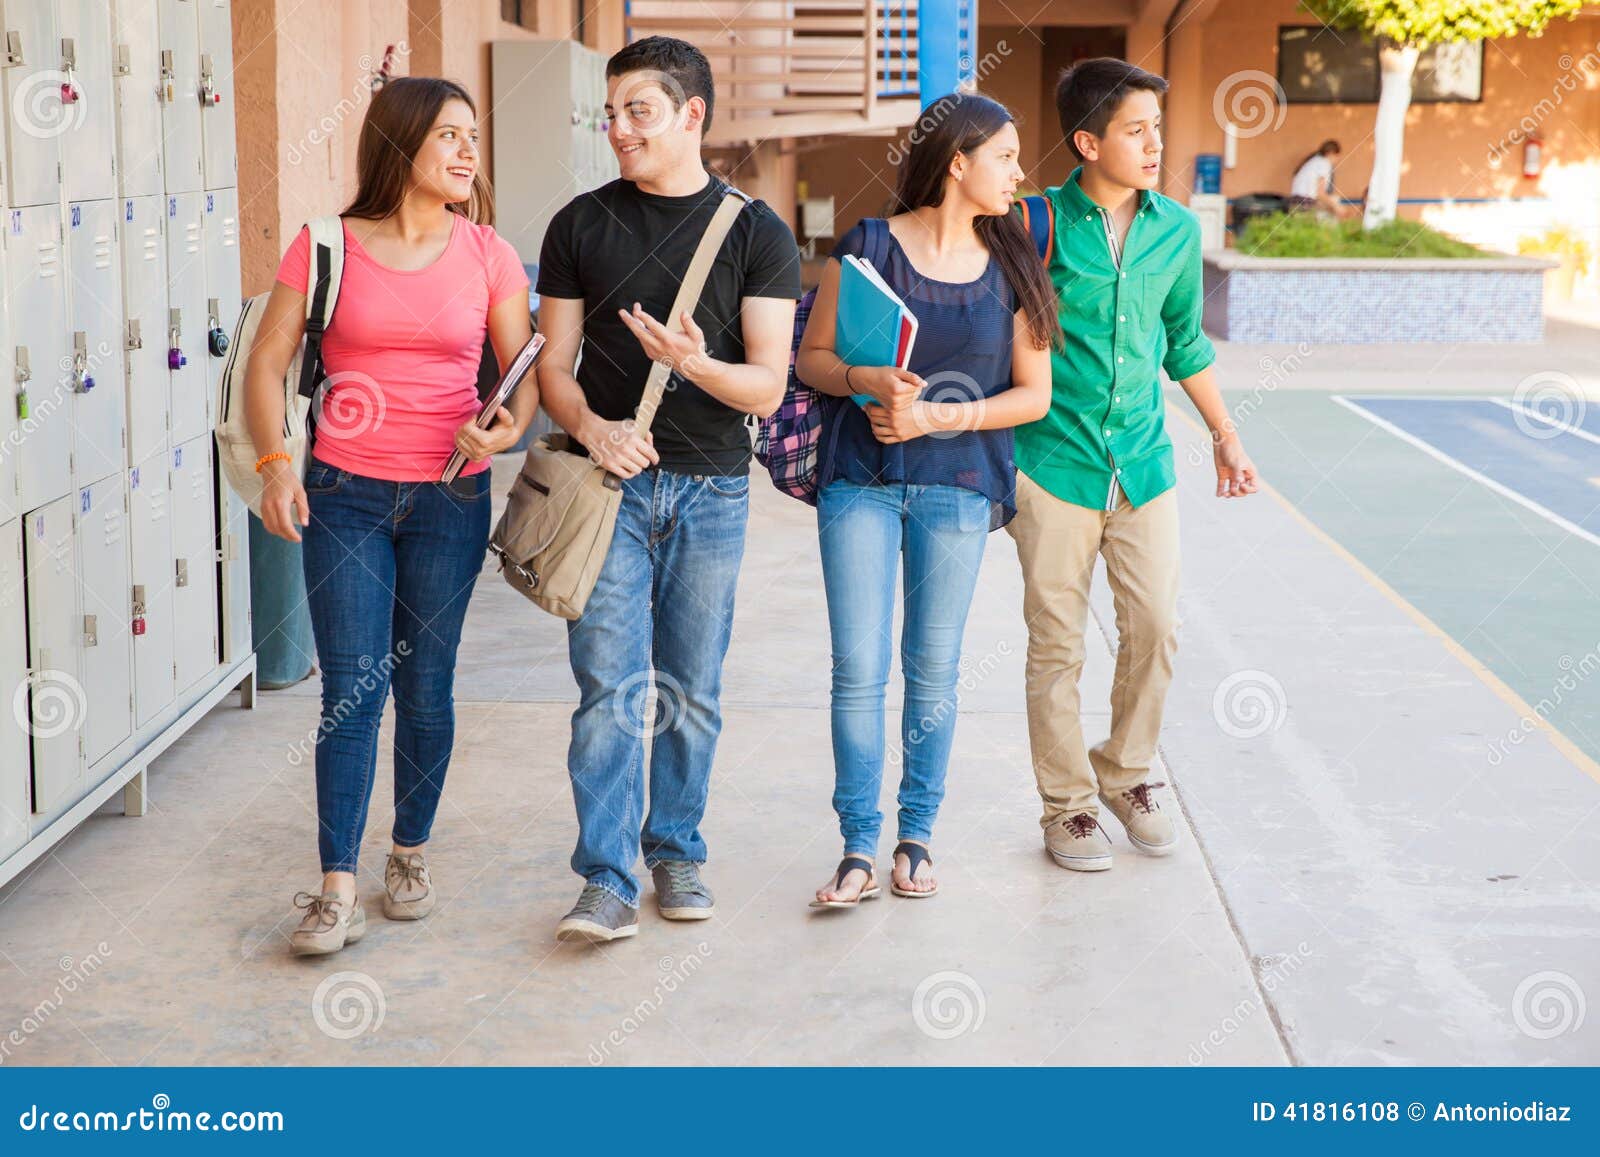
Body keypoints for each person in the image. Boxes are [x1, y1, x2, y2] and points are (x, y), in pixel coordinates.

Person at [246, 77, 535, 956]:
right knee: (352, 689)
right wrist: (273, 464)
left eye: (473, 137)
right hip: (344, 493)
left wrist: (502, 431)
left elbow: (520, 385)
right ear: (400, 144)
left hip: (450, 492)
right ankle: (337, 885)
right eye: (448, 135)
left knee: (427, 685)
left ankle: (408, 851)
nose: (467, 152)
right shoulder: (324, 245)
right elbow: (267, 364)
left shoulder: (489, 252)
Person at [535, 36, 802, 943]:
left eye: (637, 111)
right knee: (607, 687)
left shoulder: (757, 231)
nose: (617, 129)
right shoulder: (577, 225)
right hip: (606, 489)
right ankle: (606, 878)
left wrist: (696, 363)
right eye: (609, 113)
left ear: (692, 115)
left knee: (691, 683)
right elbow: (554, 370)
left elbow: (768, 384)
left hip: (713, 490)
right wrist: (594, 429)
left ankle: (676, 847)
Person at [795, 93, 1054, 908]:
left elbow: (1033, 396)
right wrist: (863, 378)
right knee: (858, 667)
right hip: (859, 483)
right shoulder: (869, 247)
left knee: (932, 669)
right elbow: (813, 360)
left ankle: (915, 835)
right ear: (958, 162)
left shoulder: (1015, 264)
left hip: (957, 487)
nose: (1019, 172)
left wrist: (936, 415)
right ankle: (855, 848)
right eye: (1006, 156)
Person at [1008, 58, 1258, 872]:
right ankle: (1068, 805)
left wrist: (1224, 432)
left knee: (1155, 626)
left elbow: (1183, 341)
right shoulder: (1031, 222)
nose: (1156, 144)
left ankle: (1125, 770)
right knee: (1057, 644)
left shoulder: (1177, 231)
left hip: (1143, 463)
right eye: (1136, 130)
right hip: (1052, 462)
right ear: (1087, 141)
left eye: (1158, 127)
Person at [1289, 139, 1351, 218]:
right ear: (1331, 154)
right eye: (1338, 156)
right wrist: (1337, 207)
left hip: (1295, 202)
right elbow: (1320, 193)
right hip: (1305, 203)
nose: (1338, 160)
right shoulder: (1324, 163)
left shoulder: (1314, 161)